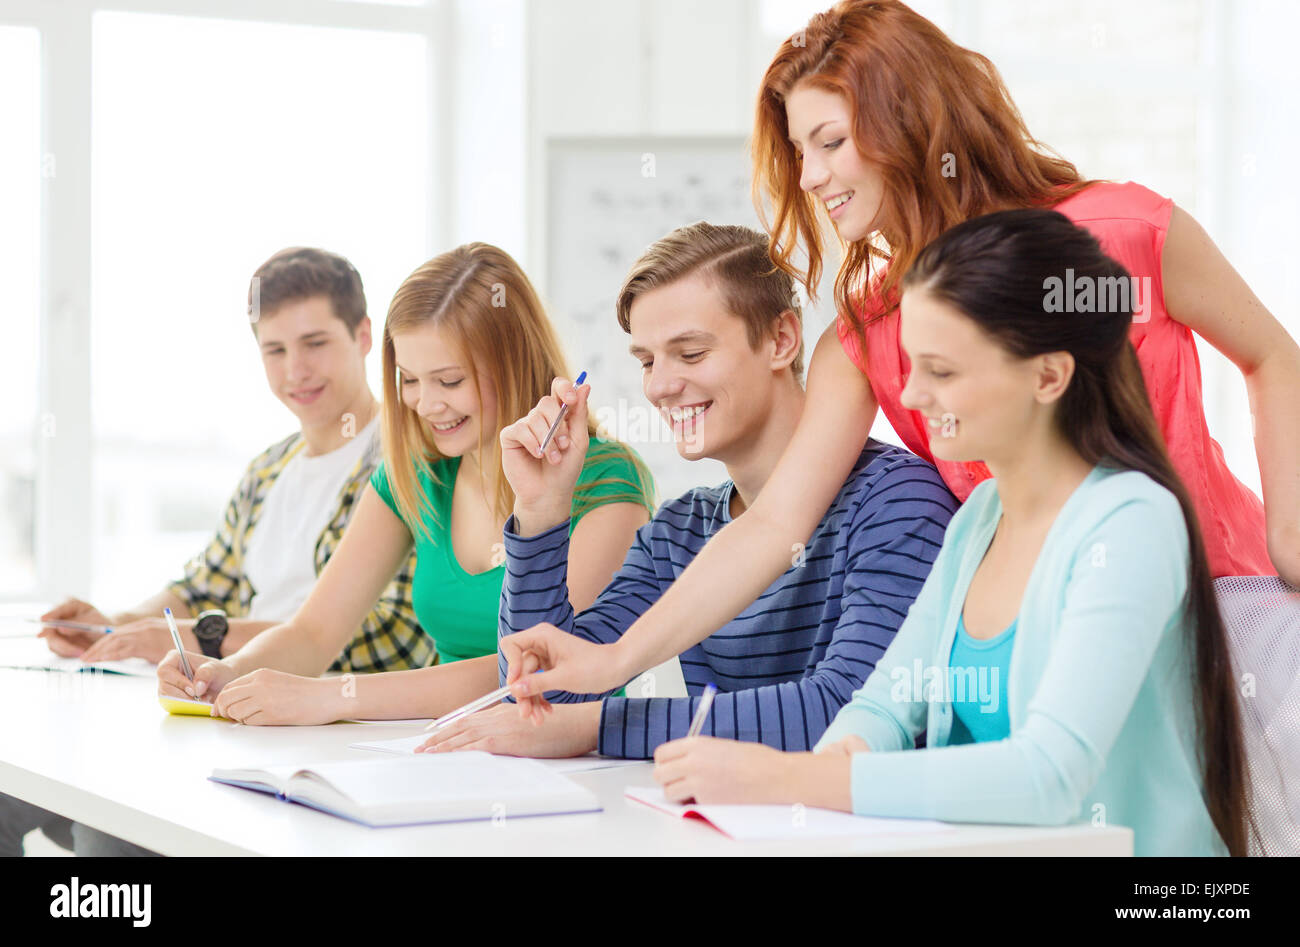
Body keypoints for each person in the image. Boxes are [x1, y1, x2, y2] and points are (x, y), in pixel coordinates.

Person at [499, 0, 1300, 715]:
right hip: (1040, 648)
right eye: (799, 152)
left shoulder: (1126, 234)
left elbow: (1271, 356)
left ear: (912, 119)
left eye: (830, 142)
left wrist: (1292, 537)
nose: (810, 177)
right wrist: (615, 660)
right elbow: (777, 521)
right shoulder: (868, 328)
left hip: (1225, 610)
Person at [650, 210, 1255, 857]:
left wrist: (792, 777)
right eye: (912, 365)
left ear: (1049, 376)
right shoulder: (980, 518)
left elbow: (1048, 776)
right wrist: (832, 764)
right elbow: (883, 705)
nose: (909, 394)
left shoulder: (1134, 522)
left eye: (941, 371)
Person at [419, 223, 956, 759]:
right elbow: (548, 689)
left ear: (781, 340)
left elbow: (847, 712)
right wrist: (541, 509)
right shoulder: (679, 532)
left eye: (691, 354)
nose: (658, 386)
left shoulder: (899, 502)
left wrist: (599, 726)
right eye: (648, 361)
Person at [5, 246, 430, 857]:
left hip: (312, 727)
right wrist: (114, 625)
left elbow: (380, 635)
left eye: (315, 343)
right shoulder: (269, 468)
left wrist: (201, 641)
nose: (295, 372)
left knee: (110, 838)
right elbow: (201, 587)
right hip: (227, 700)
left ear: (364, 336)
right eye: (274, 351)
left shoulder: (403, 462)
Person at [157, 243, 656, 726]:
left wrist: (329, 697)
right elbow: (312, 633)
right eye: (410, 380)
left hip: (574, 758)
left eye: (450, 381)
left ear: (512, 360)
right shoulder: (418, 477)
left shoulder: (606, 480)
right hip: (446, 748)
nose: (425, 403)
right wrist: (225, 672)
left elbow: (546, 669)